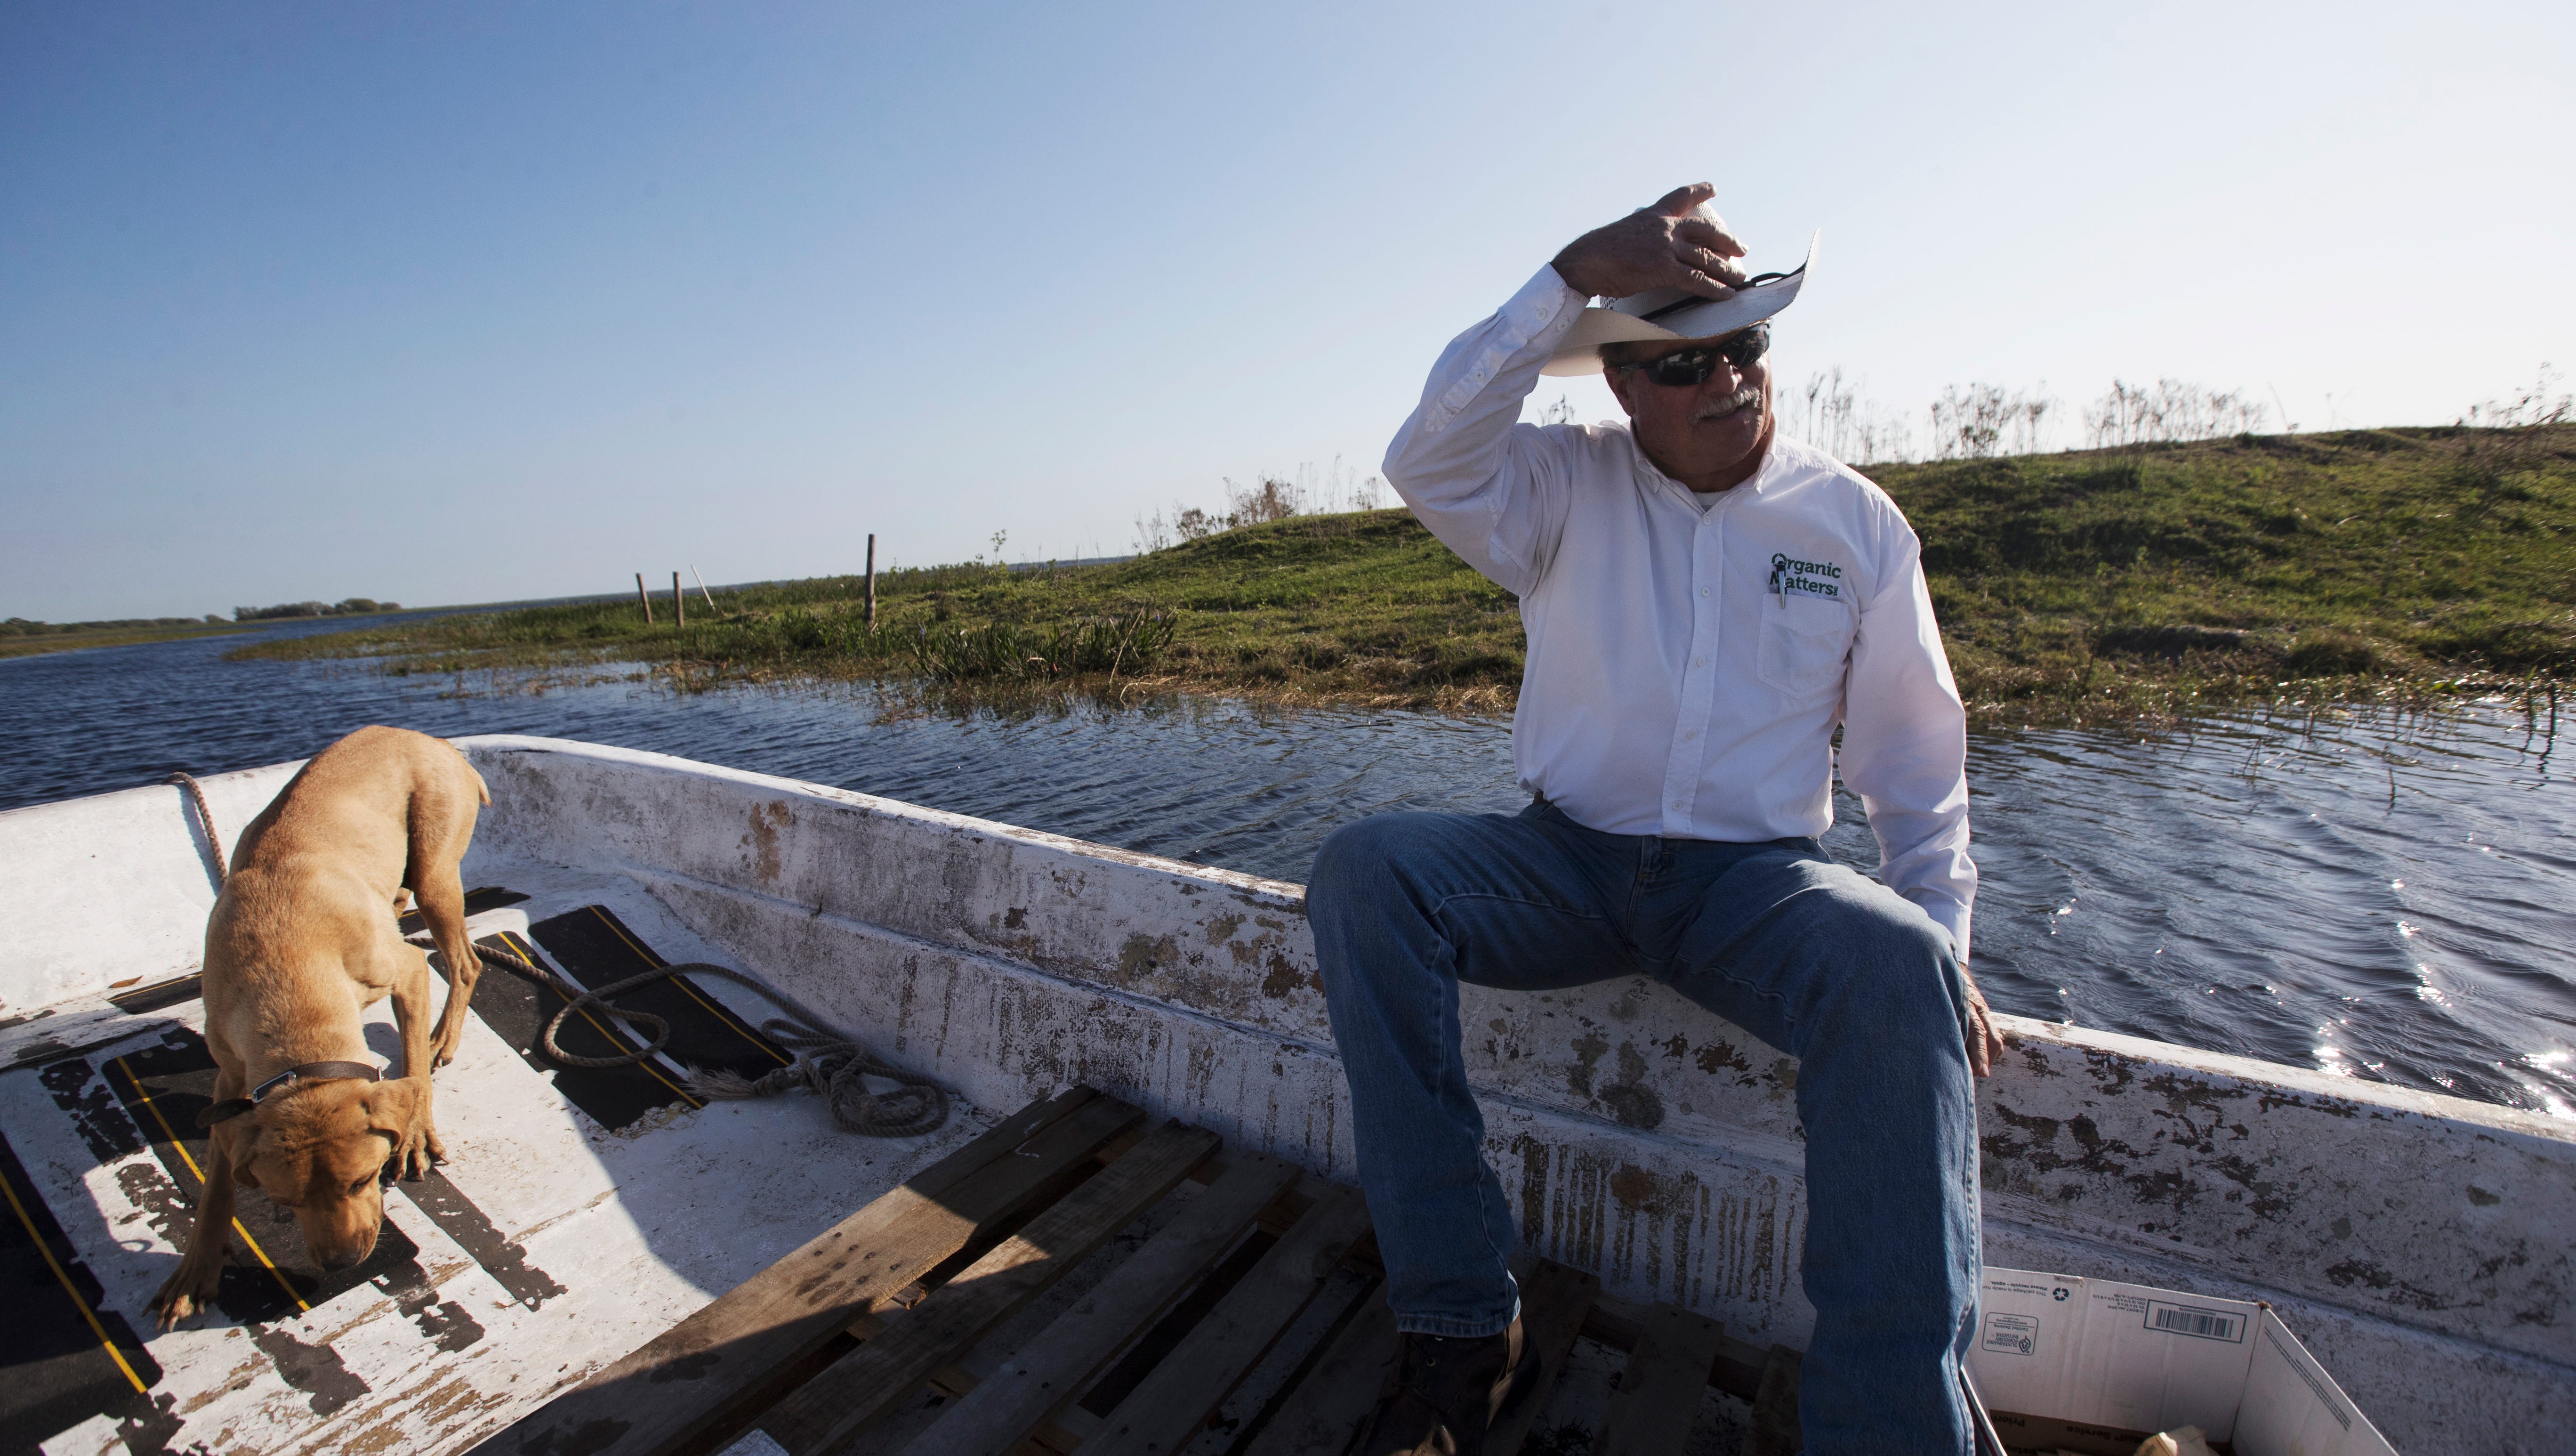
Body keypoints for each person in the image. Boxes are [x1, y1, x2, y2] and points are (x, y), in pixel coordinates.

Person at [1308, 183, 2004, 1456]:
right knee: (1366, 873)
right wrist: (1564, 274)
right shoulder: (1560, 486)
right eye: (1685, 361)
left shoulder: (1853, 525)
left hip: (1760, 885)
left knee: (1905, 965)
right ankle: (1465, 1318)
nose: (1729, 379)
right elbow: (1425, 454)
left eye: (1746, 346)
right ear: (1624, 386)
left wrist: (1941, 940)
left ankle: (1894, 1432)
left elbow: (1916, 765)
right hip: (1560, 863)